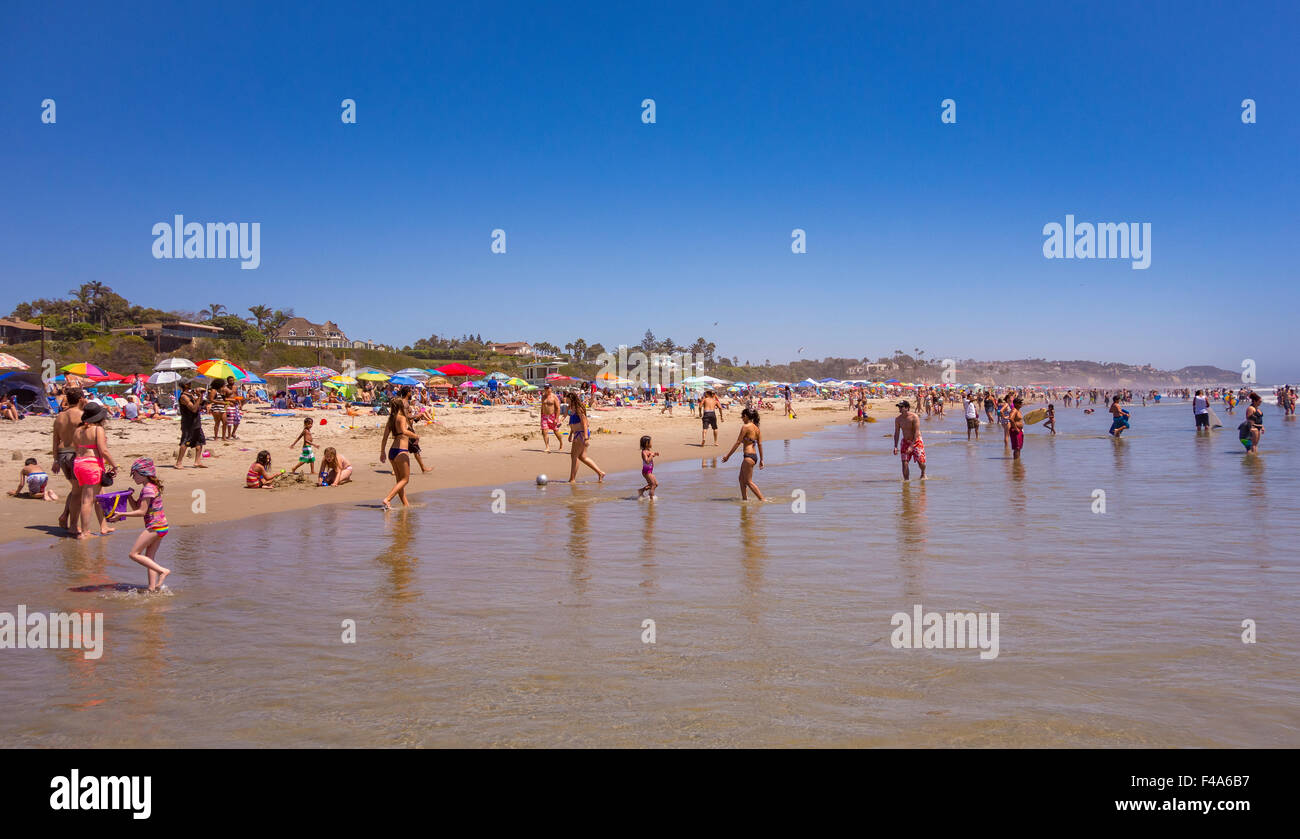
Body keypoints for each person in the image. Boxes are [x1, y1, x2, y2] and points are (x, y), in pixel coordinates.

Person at [115, 458, 171, 592]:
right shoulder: (150, 487)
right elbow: (137, 506)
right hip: (162, 526)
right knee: (149, 558)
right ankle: (152, 588)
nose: (133, 477)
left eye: (134, 474)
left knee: (133, 554)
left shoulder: (147, 490)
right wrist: (129, 497)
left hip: (155, 527)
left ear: (144, 473)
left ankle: (163, 571)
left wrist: (121, 514)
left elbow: (141, 512)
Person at [71, 401, 117, 539]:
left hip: (79, 464)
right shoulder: (98, 430)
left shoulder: (77, 430)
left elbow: (76, 448)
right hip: (92, 465)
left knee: (99, 497)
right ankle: (85, 532)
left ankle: (103, 526)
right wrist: (114, 465)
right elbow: (103, 451)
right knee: (87, 500)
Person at [53, 387, 85, 533]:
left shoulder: (59, 417)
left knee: (75, 489)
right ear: (80, 399)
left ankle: (65, 515)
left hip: (61, 454)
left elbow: (55, 441)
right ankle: (73, 525)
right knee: (78, 492)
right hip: (75, 454)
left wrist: (55, 460)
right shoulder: (81, 415)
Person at [379, 396, 416, 509]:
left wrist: (382, 452)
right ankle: (388, 499)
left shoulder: (391, 419)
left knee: (399, 482)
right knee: (405, 480)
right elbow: (404, 431)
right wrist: (416, 436)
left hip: (392, 452)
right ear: (400, 406)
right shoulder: (401, 418)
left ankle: (406, 505)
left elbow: (384, 438)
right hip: (401, 451)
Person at [722, 407, 764, 500]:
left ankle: (762, 500)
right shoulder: (757, 428)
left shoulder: (745, 427)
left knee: (748, 481)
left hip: (748, 457)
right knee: (741, 479)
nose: (742, 419)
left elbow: (737, 442)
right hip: (754, 456)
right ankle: (745, 500)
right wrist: (761, 460)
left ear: (745, 416)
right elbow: (760, 445)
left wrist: (727, 456)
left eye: (742, 416)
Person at [566, 391, 605, 482]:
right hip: (577, 433)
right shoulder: (572, 409)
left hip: (581, 434)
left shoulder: (579, 409)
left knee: (574, 456)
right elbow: (574, 423)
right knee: (582, 457)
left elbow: (584, 423)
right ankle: (600, 473)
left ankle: (572, 479)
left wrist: (586, 438)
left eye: (567, 399)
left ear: (571, 399)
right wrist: (571, 433)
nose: (566, 400)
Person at [174, 381, 208, 469]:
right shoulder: (184, 397)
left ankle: (197, 461)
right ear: (184, 385)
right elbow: (193, 408)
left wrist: (200, 396)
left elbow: (198, 404)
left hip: (196, 421)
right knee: (185, 441)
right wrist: (199, 396)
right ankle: (179, 462)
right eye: (188, 383)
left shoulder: (190, 394)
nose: (190, 384)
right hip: (188, 423)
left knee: (199, 441)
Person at [892, 400, 926, 480]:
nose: (899, 408)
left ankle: (923, 472)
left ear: (907, 408)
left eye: (901, 407)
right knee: (904, 462)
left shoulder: (914, 417)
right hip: (905, 441)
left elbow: (917, 432)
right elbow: (897, 433)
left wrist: (912, 446)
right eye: (899, 407)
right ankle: (906, 481)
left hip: (916, 441)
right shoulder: (898, 419)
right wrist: (895, 446)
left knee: (920, 462)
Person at [539, 384, 564, 453]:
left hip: (552, 416)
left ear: (551, 388)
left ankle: (561, 442)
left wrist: (556, 418)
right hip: (544, 416)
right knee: (544, 431)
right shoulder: (543, 397)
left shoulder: (554, 397)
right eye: (545, 388)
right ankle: (547, 447)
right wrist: (541, 416)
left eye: (547, 388)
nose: (546, 389)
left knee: (556, 431)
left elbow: (558, 408)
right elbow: (542, 407)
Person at [637, 435, 659, 500]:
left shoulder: (648, 450)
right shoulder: (644, 452)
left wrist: (654, 455)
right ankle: (651, 499)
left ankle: (641, 490)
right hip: (646, 471)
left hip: (649, 470)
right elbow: (647, 461)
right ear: (646, 443)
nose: (651, 443)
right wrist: (652, 455)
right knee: (653, 485)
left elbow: (650, 457)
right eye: (650, 442)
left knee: (655, 484)